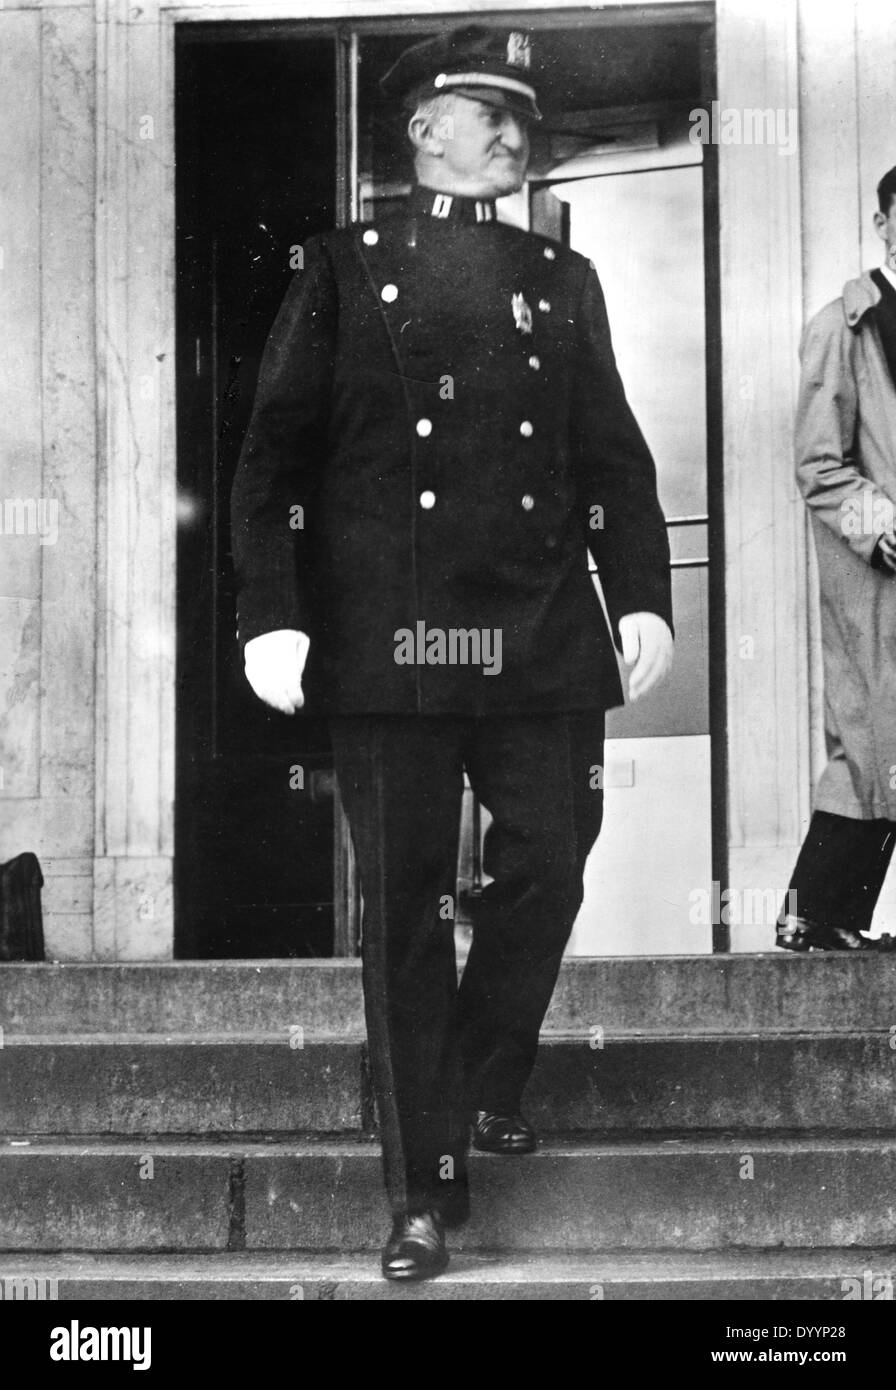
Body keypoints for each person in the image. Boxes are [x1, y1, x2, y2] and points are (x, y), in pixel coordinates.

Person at [231, 25, 674, 1280]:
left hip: (535, 633)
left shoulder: (559, 277)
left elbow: (610, 462)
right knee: (408, 920)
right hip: (391, 645)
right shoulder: (340, 266)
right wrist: (273, 608)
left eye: (521, 112)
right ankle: (424, 1192)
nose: (513, 130)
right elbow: (272, 463)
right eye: (488, 109)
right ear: (422, 126)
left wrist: (637, 593)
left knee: (551, 860)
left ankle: (480, 1075)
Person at [777, 165, 896, 953]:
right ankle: (813, 914)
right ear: (886, 223)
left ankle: (823, 916)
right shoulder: (843, 325)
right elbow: (819, 464)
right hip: (882, 580)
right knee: (871, 741)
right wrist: (882, 526)